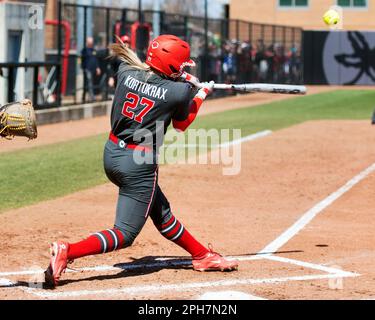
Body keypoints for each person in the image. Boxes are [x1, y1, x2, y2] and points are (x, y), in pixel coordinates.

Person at [45, 34, 239, 287]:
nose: (184, 69)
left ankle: (202, 255)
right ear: (170, 65)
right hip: (139, 164)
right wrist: (201, 94)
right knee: (125, 234)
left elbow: (156, 80)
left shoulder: (127, 71)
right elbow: (181, 124)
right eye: (181, 65)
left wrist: (186, 82)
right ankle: (68, 250)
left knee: (161, 212)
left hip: (112, 155)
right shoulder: (179, 92)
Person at [81, 37, 101, 102]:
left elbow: (96, 60)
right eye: (89, 42)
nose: (91, 43)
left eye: (91, 42)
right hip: (87, 69)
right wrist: (83, 67)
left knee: (91, 83)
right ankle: (92, 97)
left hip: (93, 69)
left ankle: (89, 96)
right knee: (89, 82)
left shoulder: (93, 50)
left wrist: (97, 68)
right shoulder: (85, 50)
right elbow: (82, 59)